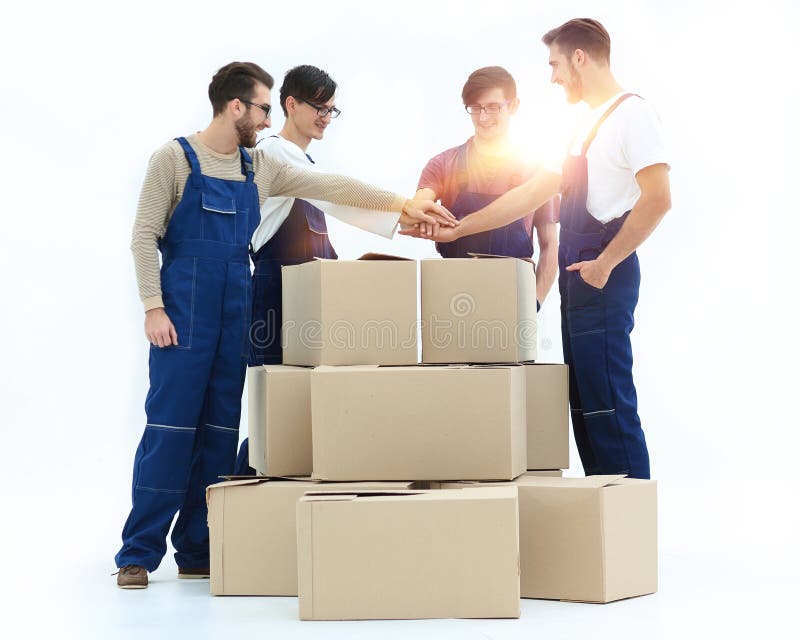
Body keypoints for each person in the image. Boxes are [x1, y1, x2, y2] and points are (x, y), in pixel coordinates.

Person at [116, 61, 455, 589]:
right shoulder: (174, 158)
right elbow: (143, 236)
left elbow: (331, 185)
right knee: (170, 431)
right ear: (236, 108)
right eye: (263, 107)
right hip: (183, 315)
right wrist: (152, 307)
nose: (268, 118)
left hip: (235, 310)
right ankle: (138, 553)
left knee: (220, 434)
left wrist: (400, 204)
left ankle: (197, 547)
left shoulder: (260, 169)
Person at [405, 19, 671, 480]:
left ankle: (628, 527)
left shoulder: (632, 114)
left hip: (603, 271)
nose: (552, 77)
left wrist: (606, 264)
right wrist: (459, 228)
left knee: (609, 404)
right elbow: (529, 195)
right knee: (586, 408)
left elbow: (659, 198)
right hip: (579, 274)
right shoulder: (579, 125)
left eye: (555, 65)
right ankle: (602, 514)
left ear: (580, 58)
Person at [234, 64, 401, 475]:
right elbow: (333, 192)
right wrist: (401, 211)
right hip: (276, 298)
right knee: (276, 409)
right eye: (319, 108)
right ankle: (234, 504)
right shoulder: (272, 153)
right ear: (290, 105)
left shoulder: (304, 161)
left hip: (312, 302)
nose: (327, 117)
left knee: (311, 406)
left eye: (332, 110)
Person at [414, 66, 558, 308]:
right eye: (476, 108)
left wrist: (535, 302)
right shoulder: (443, 164)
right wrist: (419, 213)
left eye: (493, 107)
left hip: (513, 295)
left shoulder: (539, 173)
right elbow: (419, 205)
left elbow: (550, 244)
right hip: (452, 295)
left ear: (513, 106)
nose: (483, 118)